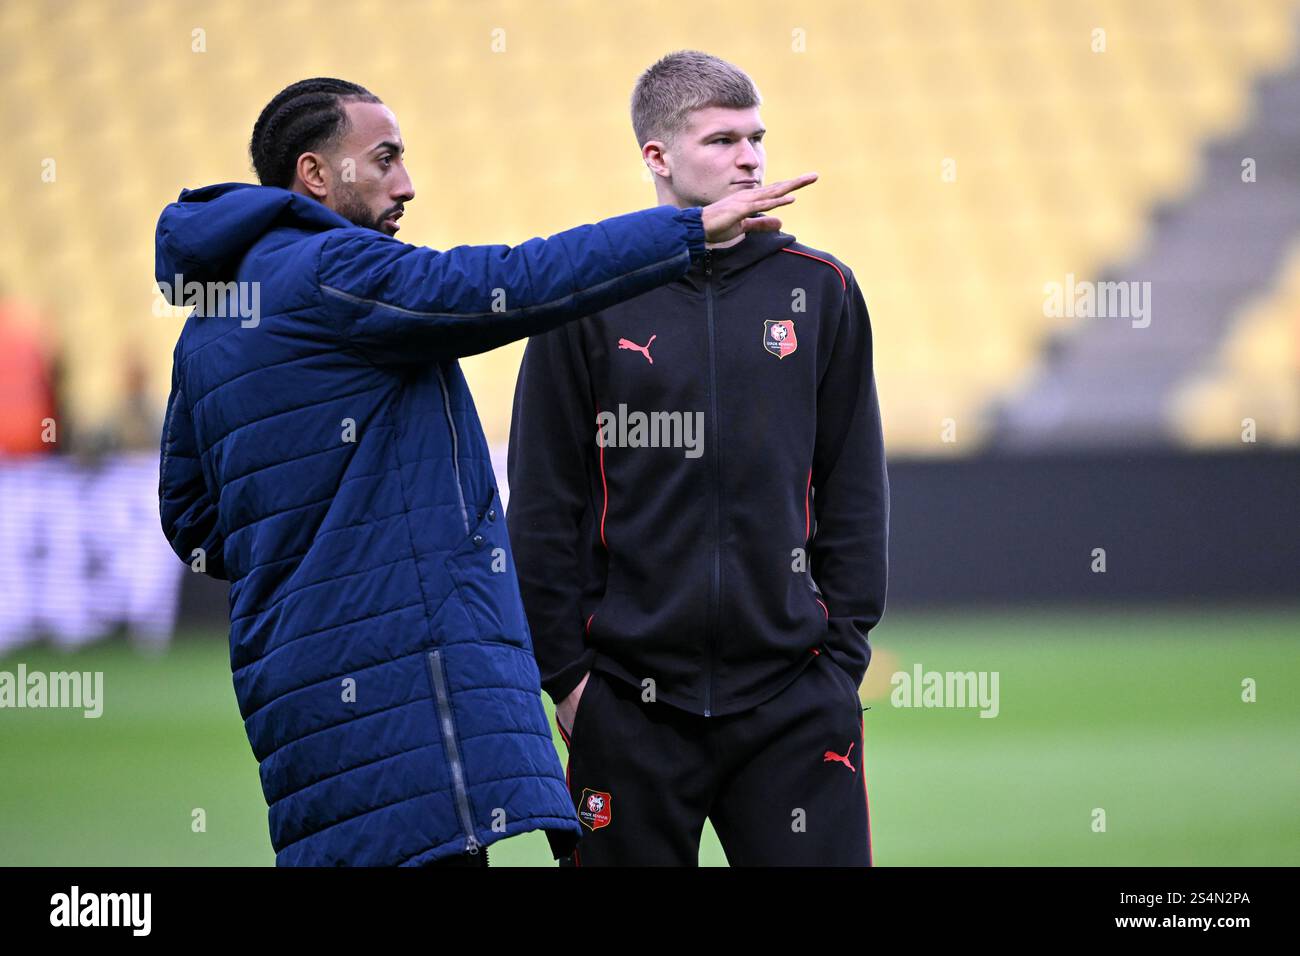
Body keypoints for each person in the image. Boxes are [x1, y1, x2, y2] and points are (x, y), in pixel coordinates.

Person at [155, 76, 816, 866]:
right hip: (401, 689)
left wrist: (318, 537)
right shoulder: (336, 270)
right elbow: (503, 283)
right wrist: (681, 233)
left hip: (294, 693)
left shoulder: (212, 320)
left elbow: (192, 521)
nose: (407, 183)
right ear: (315, 175)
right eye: (385, 159)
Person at [507, 51, 887, 866]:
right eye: (722, 140)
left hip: (793, 701)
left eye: (756, 138)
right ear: (657, 156)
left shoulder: (820, 290)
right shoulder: (586, 298)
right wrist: (572, 683)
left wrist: (840, 660)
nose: (750, 157)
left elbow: (853, 490)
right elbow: (543, 504)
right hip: (628, 707)